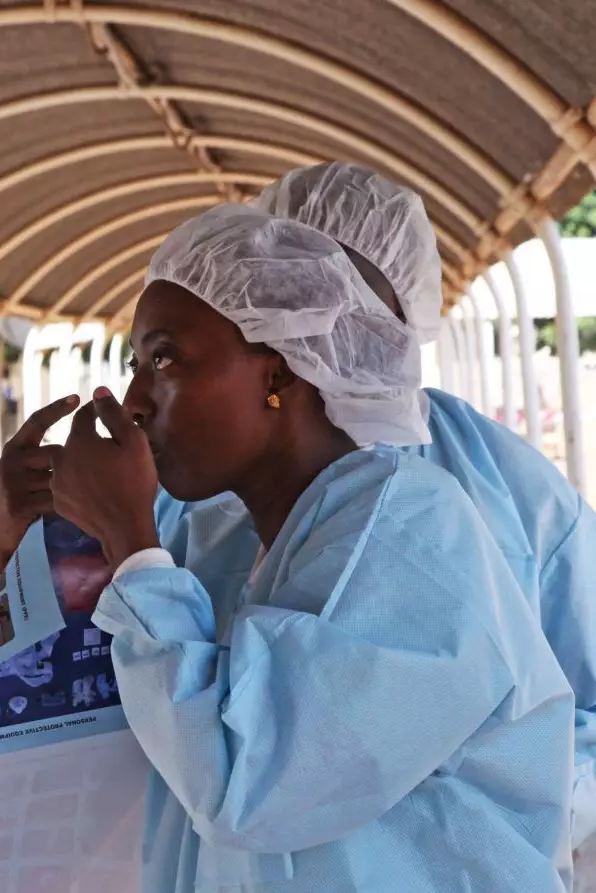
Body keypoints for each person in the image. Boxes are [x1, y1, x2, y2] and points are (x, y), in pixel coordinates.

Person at [42, 204, 573, 889]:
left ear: (280, 376)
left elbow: (247, 780)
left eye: (165, 357)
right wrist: (29, 549)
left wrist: (133, 542)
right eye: (136, 362)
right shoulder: (271, 532)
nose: (136, 399)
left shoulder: (405, 533)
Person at [255, 161, 596, 847]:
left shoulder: (506, 486)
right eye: (301, 293)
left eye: (352, 299)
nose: (323, 326)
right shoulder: (200, 500)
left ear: (408, 315)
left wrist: (516, 798)